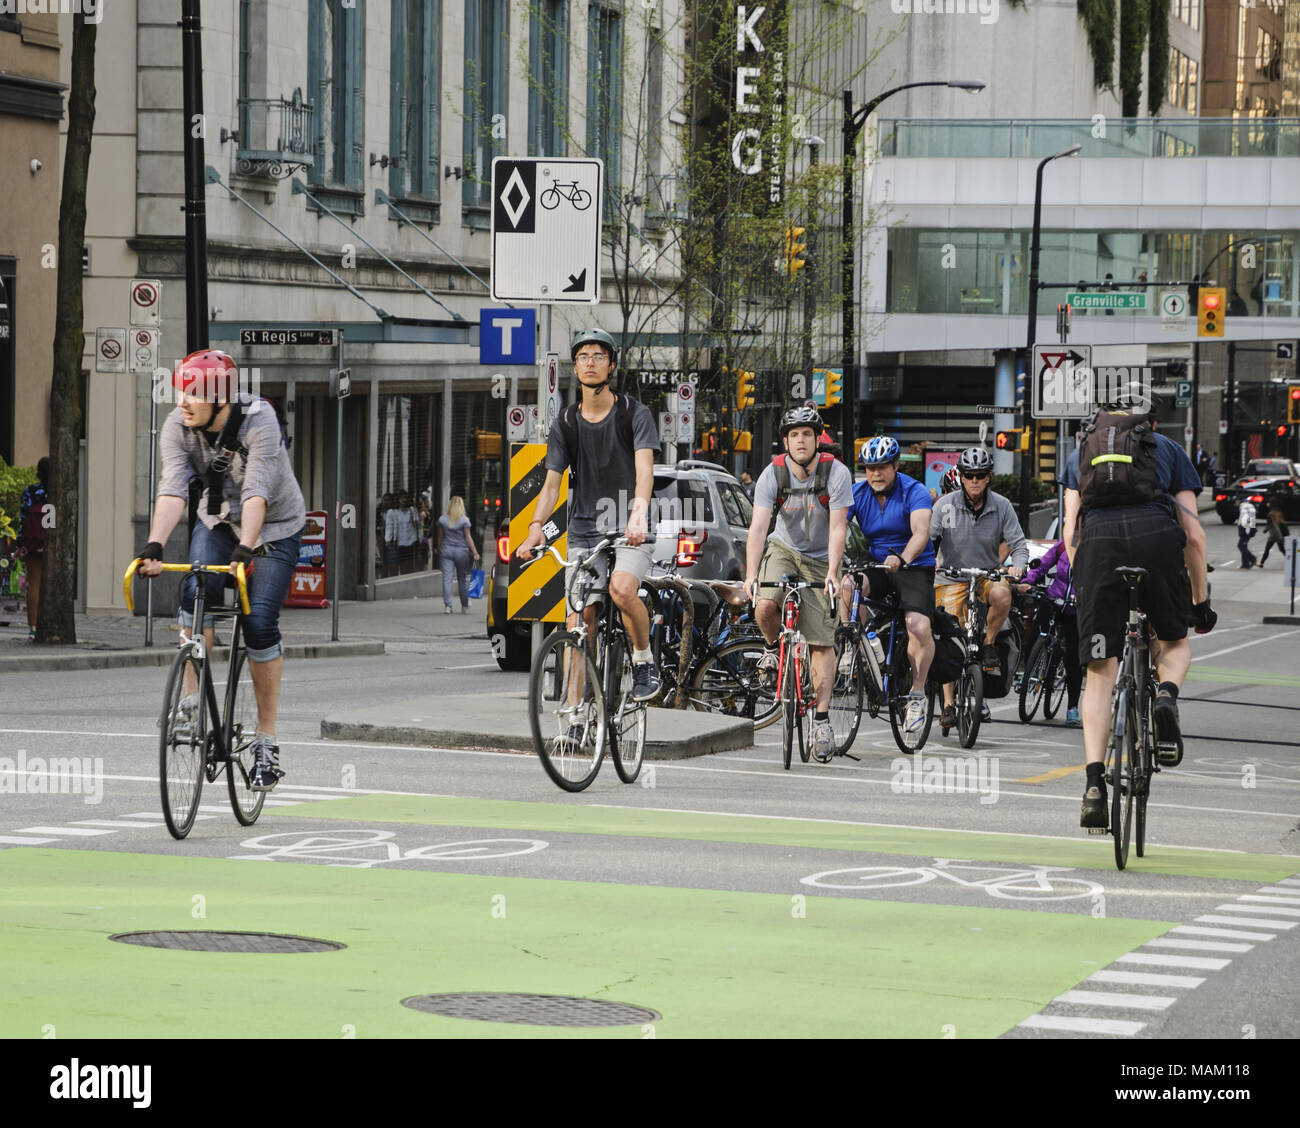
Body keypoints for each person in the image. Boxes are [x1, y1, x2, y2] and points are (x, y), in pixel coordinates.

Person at [136, 349, 307, 792]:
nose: (183, 402)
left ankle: (266, 740)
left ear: (220, 399)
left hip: (272, 529)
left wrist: (247, 547)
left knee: (258, 620)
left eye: (193, 394)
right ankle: (192, 703)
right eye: (181, 393)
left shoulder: (260, 420)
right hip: (217, 522)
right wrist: (155, 543)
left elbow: (257, 491)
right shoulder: (178, 426)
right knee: (196, 592)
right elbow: (173, 488)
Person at [1062, 394, 1213, 831]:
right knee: (1174, 641)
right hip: (1156, 536)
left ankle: (1093, 784)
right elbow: (1195, 536)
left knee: (1099, 671)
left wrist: (1086, 586)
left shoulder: (1081, 454)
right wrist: (1199, 604)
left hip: (1100, 545)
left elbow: (1071, 530)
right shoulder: (1169, 451)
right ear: (1151, 422)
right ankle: (1165, 696)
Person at [515, 328, 662, 701]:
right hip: (583, 532)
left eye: (599, 356)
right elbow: (551, 487)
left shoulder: (634, 414)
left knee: (622, 590)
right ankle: (576, 713)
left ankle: (644, 661)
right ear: (575, 367)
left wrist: (638, 514)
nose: (591, 362)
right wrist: (536, 529)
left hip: (631, 527)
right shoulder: (565, 423)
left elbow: (645, 471)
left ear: (611, 365)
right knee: (580, 621)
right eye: (583, 357)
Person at [744, 405, 853, 762]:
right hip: (784, 548)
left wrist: (834, 573)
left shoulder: (836, 473)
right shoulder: (772, 474)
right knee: (764, 605)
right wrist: (750, 574)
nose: (801, 440)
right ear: (786, 441)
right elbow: (759, 528)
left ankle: (821, 721)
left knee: (821, 642)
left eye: (807, 434)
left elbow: (839, 528)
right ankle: (776, 650)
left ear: (817, 438)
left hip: (822, 557)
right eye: (794, 435)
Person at [841, 435, 936, 736]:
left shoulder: (915, 491)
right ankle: (855, 643)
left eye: (882, 467)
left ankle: (917, 696)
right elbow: (836, 525)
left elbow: (921, 532)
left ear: (895, 466)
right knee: (848, 586)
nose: (875, 474)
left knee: (918, 627)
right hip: (878, 563)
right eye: (870, 468)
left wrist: (904, 557)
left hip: (913, 565)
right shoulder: (858, 492)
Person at [930, 446, 1028, 730]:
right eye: (969, 475)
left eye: (980, 475)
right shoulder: (944, 506)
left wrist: (1017, 565)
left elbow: (1018, 544)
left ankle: (988, 645)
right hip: (950, 577)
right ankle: (948, 704)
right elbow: (930, 541)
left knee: (1002, 593)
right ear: (960, 476)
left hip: (987, 574)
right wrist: (929, 564)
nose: (974, 480)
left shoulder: (1002, 506)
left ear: (989, 477)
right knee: (951, 638)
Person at [1017, 540, 1082, 725]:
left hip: (1076, 608)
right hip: (1055, 598)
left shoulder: (1095, 548)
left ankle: (1072, 707)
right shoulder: (1062, 546)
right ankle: (1029, 674)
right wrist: (1028, 581)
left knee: (1073, 657)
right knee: (1036, 636)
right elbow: (1042, 566)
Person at [17, 456, 50, 640]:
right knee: (51, 585)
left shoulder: (30, 491)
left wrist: (21, 543)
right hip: (49, 544)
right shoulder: (55, 491)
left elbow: (23, 517)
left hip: (32, 543)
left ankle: (33, 627)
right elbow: (52, 520)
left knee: (34, 585)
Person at [437, 495, 479, 612]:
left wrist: (439, 548)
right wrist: (475, 552)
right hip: (461, 551)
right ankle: (464, 605)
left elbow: (440, 537)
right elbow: (468, 537)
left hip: (446, 550)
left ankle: (448, 606)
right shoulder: (465, 520)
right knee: (462, 578)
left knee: (447, 578)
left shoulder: (443, 519)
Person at [391, 490, 421, 575]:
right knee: (402, 566)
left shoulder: (412, 510)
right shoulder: (396, 512)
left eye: (405, 498)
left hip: (411, 543)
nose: (404, 500)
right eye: (401, 498)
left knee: (411, 567)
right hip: (400, 543)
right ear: (398, 499)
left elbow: (416, 526)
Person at [1259, 501, 1290, 567]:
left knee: (1267, 549)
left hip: (1275, 535)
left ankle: (1261, 563)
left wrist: (1279, 535)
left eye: (1268, 502)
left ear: (1271, 504)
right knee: (1282, 549)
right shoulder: (1278, 511)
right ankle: (1291, 561)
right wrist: (1265, 530)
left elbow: (1275, 525)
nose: (1267, 503)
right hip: (1279, 534)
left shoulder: (1271, 514)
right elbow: (1272, 524)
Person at [1237, 496, 1258, 569]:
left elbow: (1246, 520)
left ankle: (1247, 563)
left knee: (1242, 545)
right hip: (1248, 529)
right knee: (1242, 545)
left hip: (1246, 530)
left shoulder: (1244, 508)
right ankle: (1250, 560)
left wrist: (1246, 530)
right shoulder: (1248, 507)